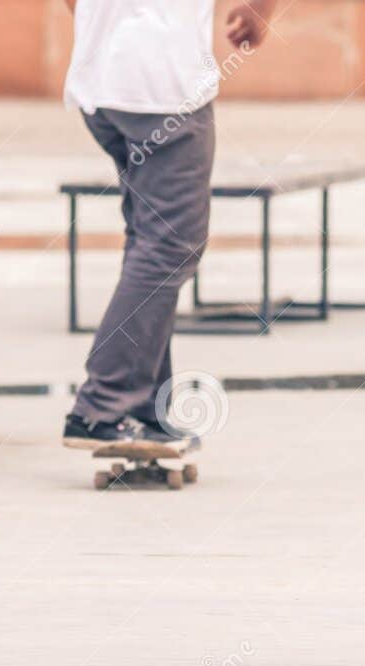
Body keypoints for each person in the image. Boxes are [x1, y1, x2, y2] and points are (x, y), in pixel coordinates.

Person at [58, 0, 275, 449]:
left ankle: (144, 409)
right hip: (162, 83)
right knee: (170, 245)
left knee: (149, 240)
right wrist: (259, 11)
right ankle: (103, 405)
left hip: (102, 79)